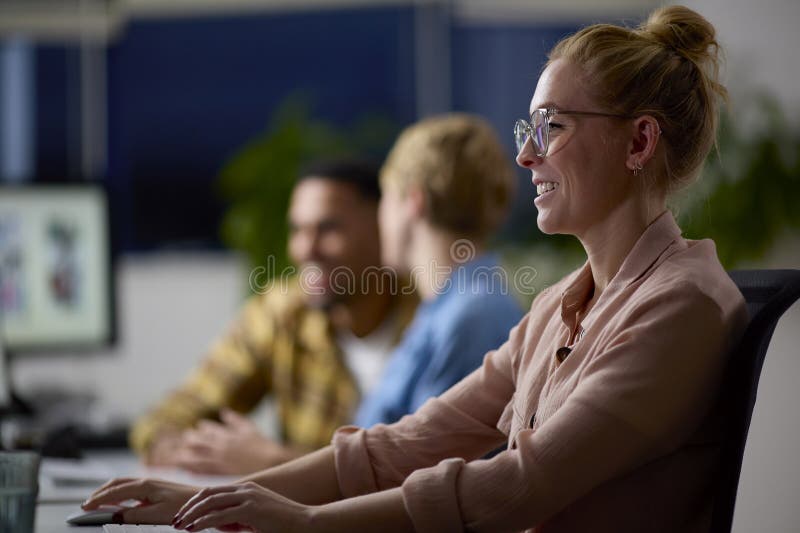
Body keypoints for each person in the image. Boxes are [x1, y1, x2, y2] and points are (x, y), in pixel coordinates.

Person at [84, 6, 748, 532]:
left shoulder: (680, 304)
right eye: (528, 126)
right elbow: (403, 444)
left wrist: (308, 522)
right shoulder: (556, 306)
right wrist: (208, 496)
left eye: (552, 126)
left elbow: (514, 488)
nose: (525, 155)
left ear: (638, 141)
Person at [129, 159, 419, 475]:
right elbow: (173, 416)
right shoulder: (281, 313)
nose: (305, 249)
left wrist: (277, 461)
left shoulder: (431, 319)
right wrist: (191, 448)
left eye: (328, 228)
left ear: (383, 227)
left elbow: (422, 471)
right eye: (297, 230)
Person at [354, 113, 523, 428]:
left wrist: (272, 461)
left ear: (413, 202)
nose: (381, 219)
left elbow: (421, 463)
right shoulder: (448, 309)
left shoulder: (470, 318)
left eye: (386, 200)